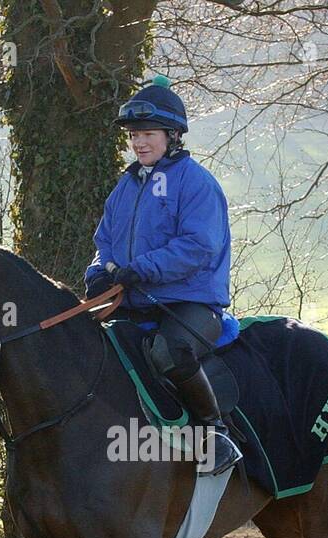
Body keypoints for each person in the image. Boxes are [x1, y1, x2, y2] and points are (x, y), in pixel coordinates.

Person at [85, 75, 242, 475]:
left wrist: (142, 269)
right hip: (134, 301)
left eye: (147, 134)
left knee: (169, 352)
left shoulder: (196, 183)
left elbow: (198, 245)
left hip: (191, 303)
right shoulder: (125, 186)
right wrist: (99, 273)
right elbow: (104, 242)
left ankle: (215, 433)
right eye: (135, 135)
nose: (139, 143)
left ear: (172, 135)